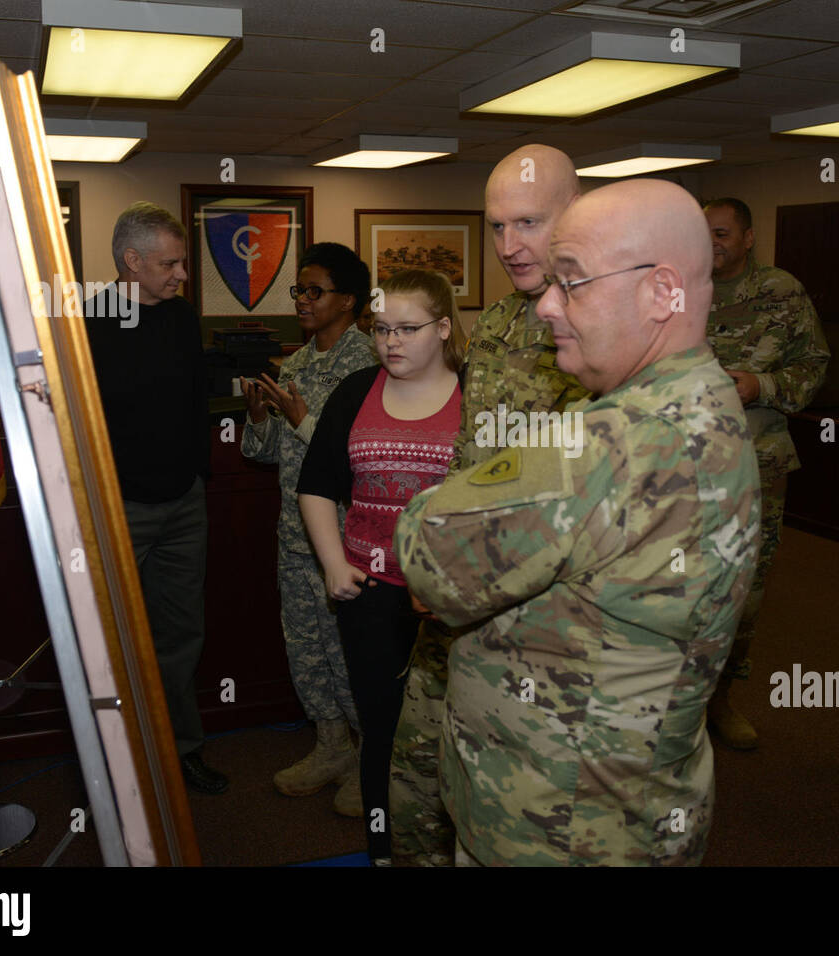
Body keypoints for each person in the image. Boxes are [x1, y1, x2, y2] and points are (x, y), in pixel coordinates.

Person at [395, 179, 760, 866]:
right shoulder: (706, 399)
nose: (549, 308)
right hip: (632, 797)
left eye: (574, 283)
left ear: (661, 292)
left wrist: (444, 518)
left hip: (553, 821)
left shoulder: (607, 441)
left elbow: (427, 550)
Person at [388, 144, 591, 866]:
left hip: (549, 625)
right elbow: (477, 458)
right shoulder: (502, 323)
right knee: (415, 776)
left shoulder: (609, 326)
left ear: (575, 211)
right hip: (461, 598)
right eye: (497, 226)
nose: (509, 245)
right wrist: (443, 548)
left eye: (528, 223)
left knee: (518, 818)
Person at [297, 269, 464, 865]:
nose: (391, 341)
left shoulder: (479, 394)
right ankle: (384, 852)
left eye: (408, 329)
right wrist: (334, 564)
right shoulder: (355, 391)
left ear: (443, 329)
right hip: (371, 592)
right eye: (382, 329)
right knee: (384, 733)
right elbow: (315, 485)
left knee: (454, 733)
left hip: (454, 604)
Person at [83, 202, 224, 794]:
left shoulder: (182, 318)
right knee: (111, 639)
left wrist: (198, 473)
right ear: (131, 262)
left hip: (183, 504)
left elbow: (196, 400)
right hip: (119, 511)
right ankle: (117, 764)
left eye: (183, 262)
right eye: (171, 264)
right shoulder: (85, 321)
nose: (182, 274)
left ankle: (177, 750)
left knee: (179, 634)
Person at [240, 242, 377, 812]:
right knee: (307, 651)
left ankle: (371, 759)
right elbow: (269, 454)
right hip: (295, 537)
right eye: (297, 290)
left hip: (345, 540)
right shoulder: (295, 362)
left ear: (347, 300)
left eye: (313, 291)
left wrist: (304, 421)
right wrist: (259, 418)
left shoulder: (369, 364)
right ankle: (330, 746)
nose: (300, 299)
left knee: (351, 653)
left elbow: (364, 455)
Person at [702, 197, 829, 750]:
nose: (712, 243)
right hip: (681, 470)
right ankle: (677, 704)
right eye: (703, 233)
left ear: (749, 237)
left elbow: (815, 363)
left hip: (757, 465)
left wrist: (762, 387)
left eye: (723, 233)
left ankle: (723, 700)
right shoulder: (677, 288)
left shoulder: (781, 291)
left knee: (743, 592)